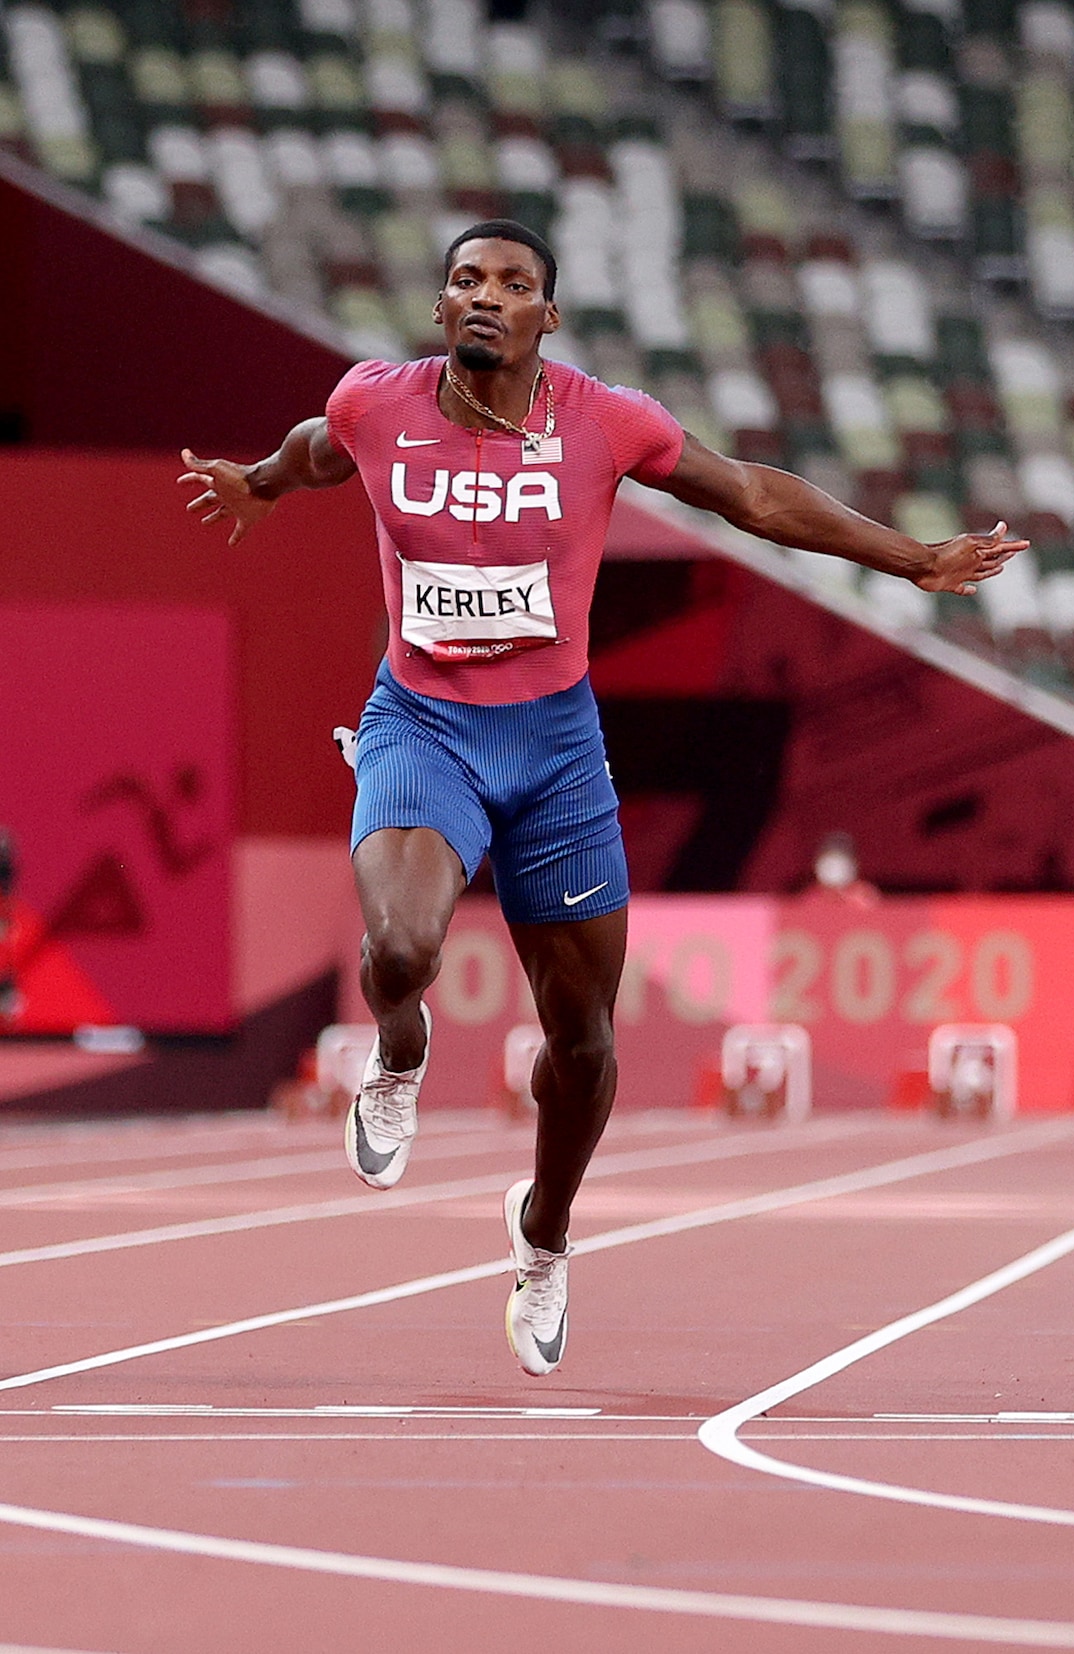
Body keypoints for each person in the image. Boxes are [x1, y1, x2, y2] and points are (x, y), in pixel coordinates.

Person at [179, 221, 1023, 1374]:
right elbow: (316, 447)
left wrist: (911, 559)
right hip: (422, 723)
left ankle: (545, 1233)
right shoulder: (379, 405)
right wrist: (260, 484)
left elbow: (755, 497)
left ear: (547, 318)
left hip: (556, 752)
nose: (486, 297)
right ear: (440, 307)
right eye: (467, 280)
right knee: (399, 946)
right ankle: (398, 1052)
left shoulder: (603, 421)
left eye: (513, 285)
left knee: (580, 1041)